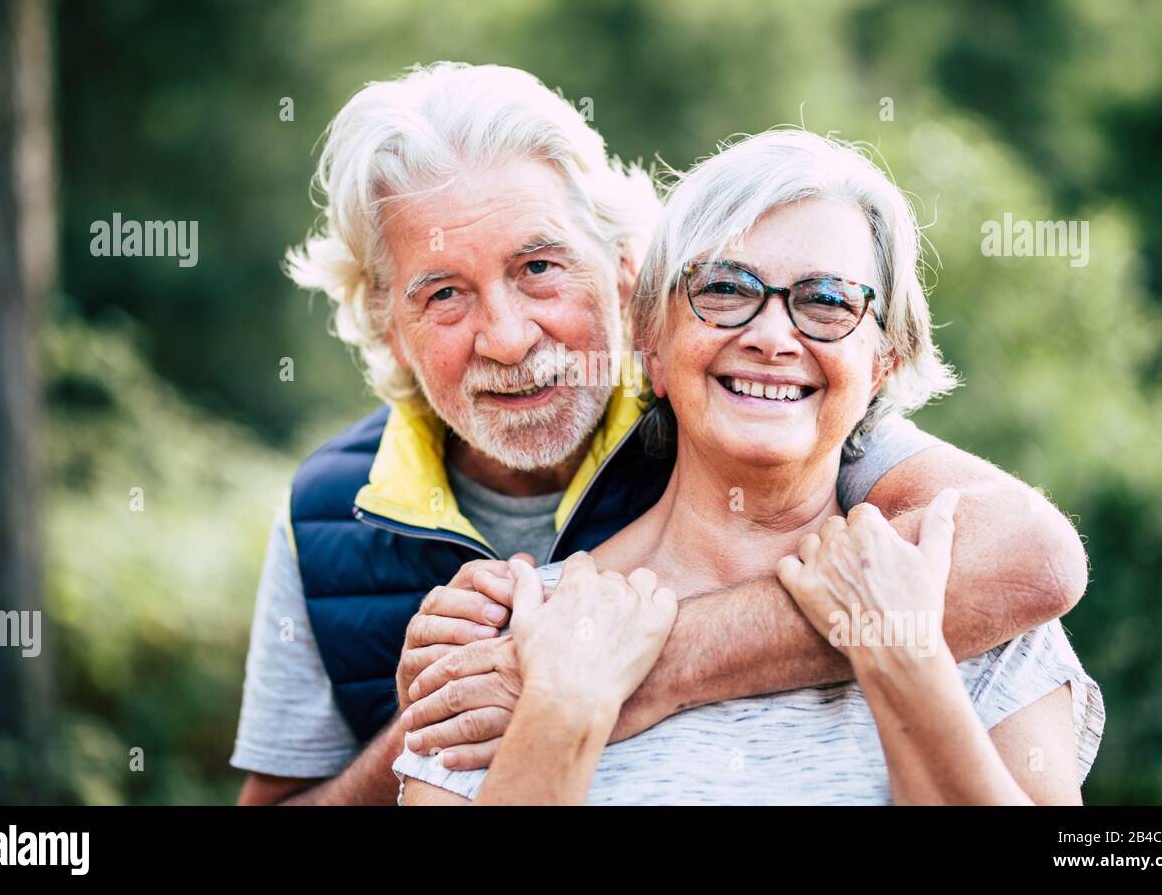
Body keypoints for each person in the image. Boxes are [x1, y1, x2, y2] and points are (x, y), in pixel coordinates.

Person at [232, 64, 1089, 806]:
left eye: (538, 267)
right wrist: (453, 710)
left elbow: (1035, 555)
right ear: (386, 323)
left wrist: (650, 665)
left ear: (624, 277)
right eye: (443, 293)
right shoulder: (330, 521)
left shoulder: (839, 469)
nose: (505, 337)